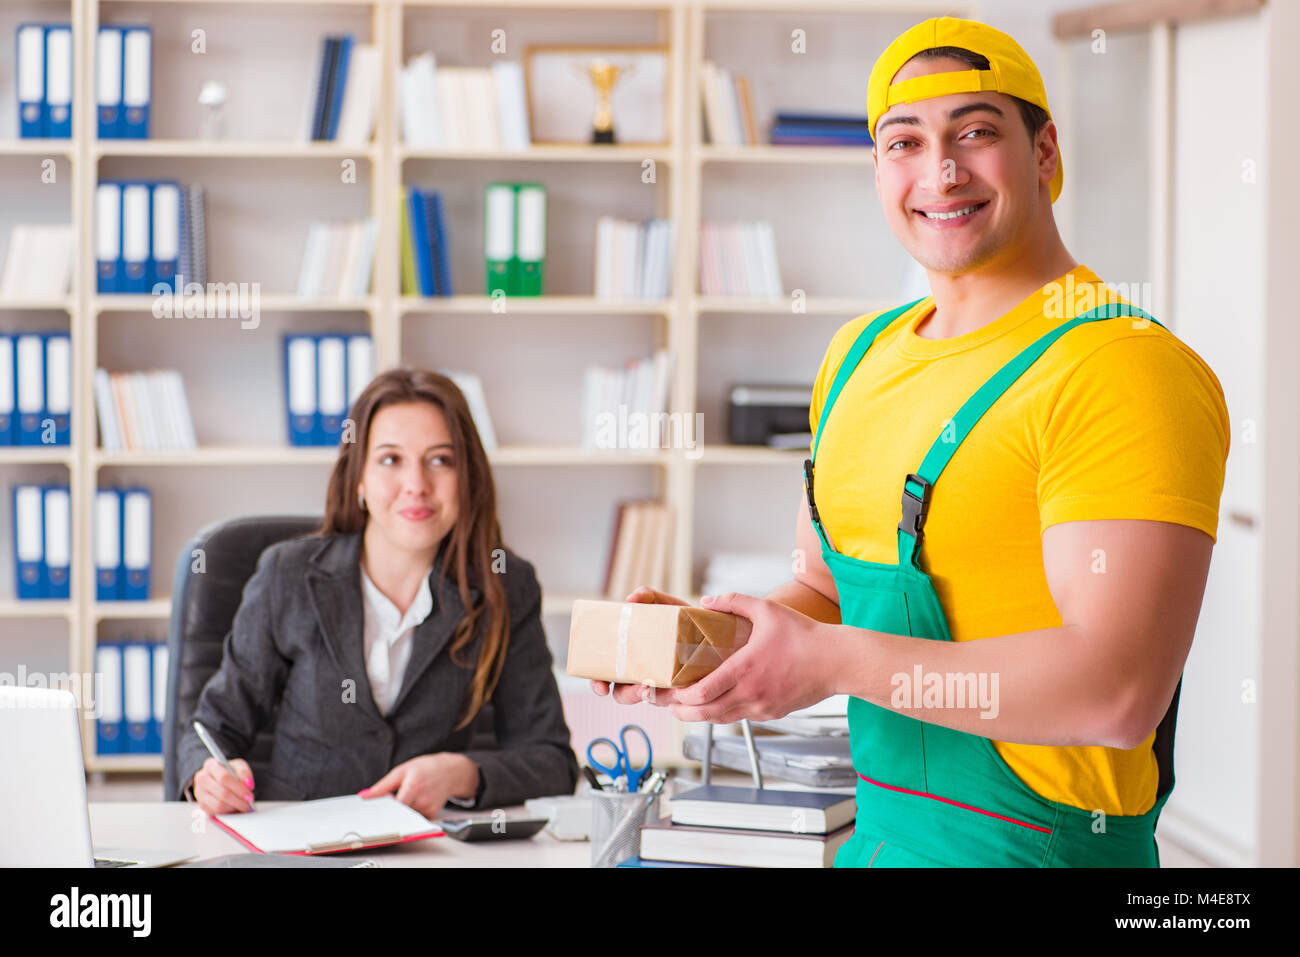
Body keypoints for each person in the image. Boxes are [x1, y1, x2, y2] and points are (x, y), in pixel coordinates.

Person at [595, 17, 1230, 867]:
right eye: (905, 141)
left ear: (1045, 153)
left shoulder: (1119, 368)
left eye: (975, 132)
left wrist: (829, 663)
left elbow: (1116, 690)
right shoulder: (856, 358)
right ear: (878, 169)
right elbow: (825, 591)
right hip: (878, 845)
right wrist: (714, 643)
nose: (941, 171)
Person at [178, 368, 578, 818]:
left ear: (468, 477)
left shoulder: (503, 585)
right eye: (391, 460)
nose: (416, 485)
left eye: (441, 460)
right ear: (359, 480)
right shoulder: (286, 576)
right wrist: (206, 776)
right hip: (295, 845)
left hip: (427, 850)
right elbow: (209, 730)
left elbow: (551, 761)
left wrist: (459, 772)